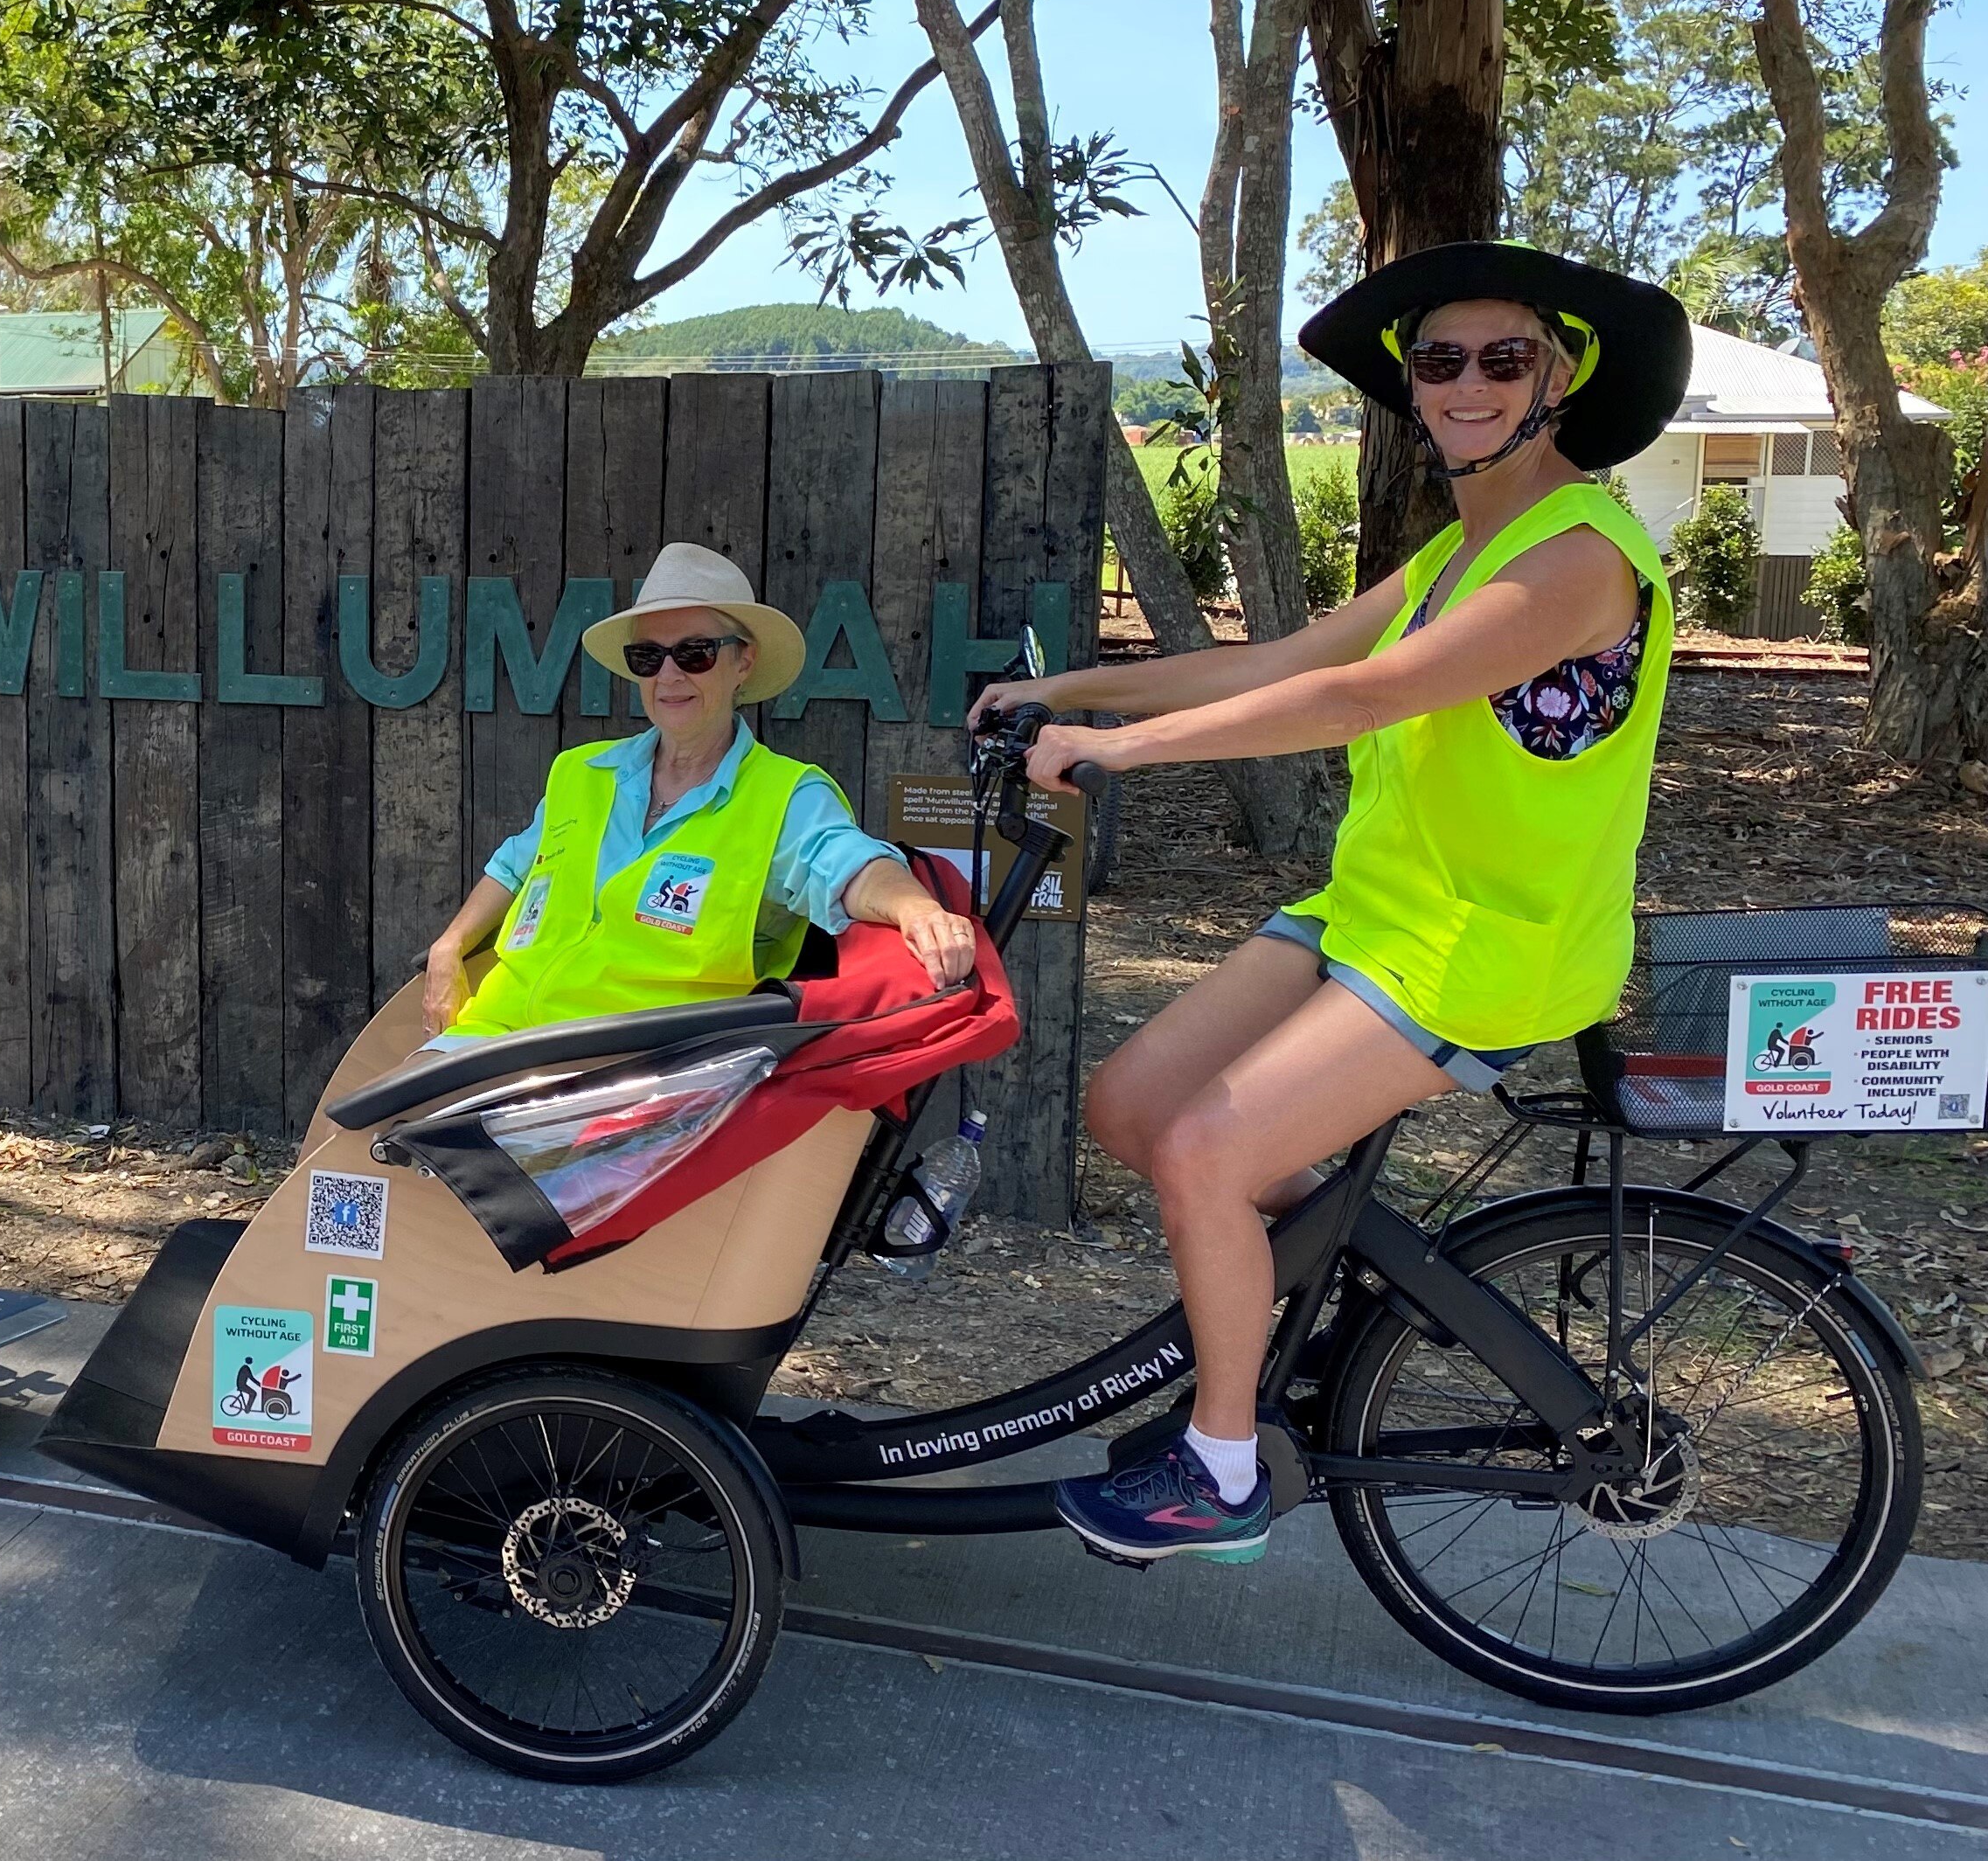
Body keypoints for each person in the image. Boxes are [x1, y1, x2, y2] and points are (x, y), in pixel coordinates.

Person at [975, 243, 1694, 1565]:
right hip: (1376, 911)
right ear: (1412, 390)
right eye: (1439, 362)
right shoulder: (1452, 560)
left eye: (1504, 358)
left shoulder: (1579, 557)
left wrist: (1121, 758)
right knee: (1132, 1106)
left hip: (1487, 945)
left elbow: (1362, 697)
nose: (1467, 384)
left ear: (1560, 381)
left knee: (1207, 1153)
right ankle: (1344, 1279)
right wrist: (1066, 693)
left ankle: (1225, 1468)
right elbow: (1282, 656)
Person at [422, 543, 978, 1045]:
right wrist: (449, 946)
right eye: (649, 657)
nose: (669, 675)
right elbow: (516, 866)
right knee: (360, 1145)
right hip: (488, 1043)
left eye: (695, 653)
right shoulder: (580, 771)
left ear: (744, 661)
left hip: (635, 1086)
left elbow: (851, 867)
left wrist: (917, 909)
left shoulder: (784, 795)